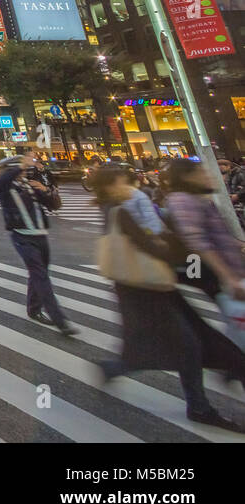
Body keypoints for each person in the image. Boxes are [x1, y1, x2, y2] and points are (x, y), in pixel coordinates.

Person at [91, 165, 245, 432]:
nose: (133, 184)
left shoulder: (118, 208)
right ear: (114, 184)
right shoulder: (122, 210)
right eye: (127, 181)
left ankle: (117, 368)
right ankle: (199, 406)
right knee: (190, 344)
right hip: (144, 289)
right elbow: (155, 247)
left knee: (187, 343)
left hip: (150, 287)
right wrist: (182, 250)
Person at [164, 159, 245, 353]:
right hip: (210, 270)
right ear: (187, 177)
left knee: (236, 320)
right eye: (202, 173)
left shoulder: (197, 199)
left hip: (222, 270)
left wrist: (239, 245)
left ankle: (233, 361)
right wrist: (227, 277)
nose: (210, 176)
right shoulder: (183, 200)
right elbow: (198, 242)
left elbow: (215, 236)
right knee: (237, 317)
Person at [0, 150, 77, 335]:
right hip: (22, 236)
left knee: (39, 273)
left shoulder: (31, 186)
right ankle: (60, 319)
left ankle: (33, 308)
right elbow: (3, 181)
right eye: (22, 170)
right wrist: (23, 164)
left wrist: (46, 190)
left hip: (40, 235)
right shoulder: (4, 188)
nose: (26, 172)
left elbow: (54, 205)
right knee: (40, 275)